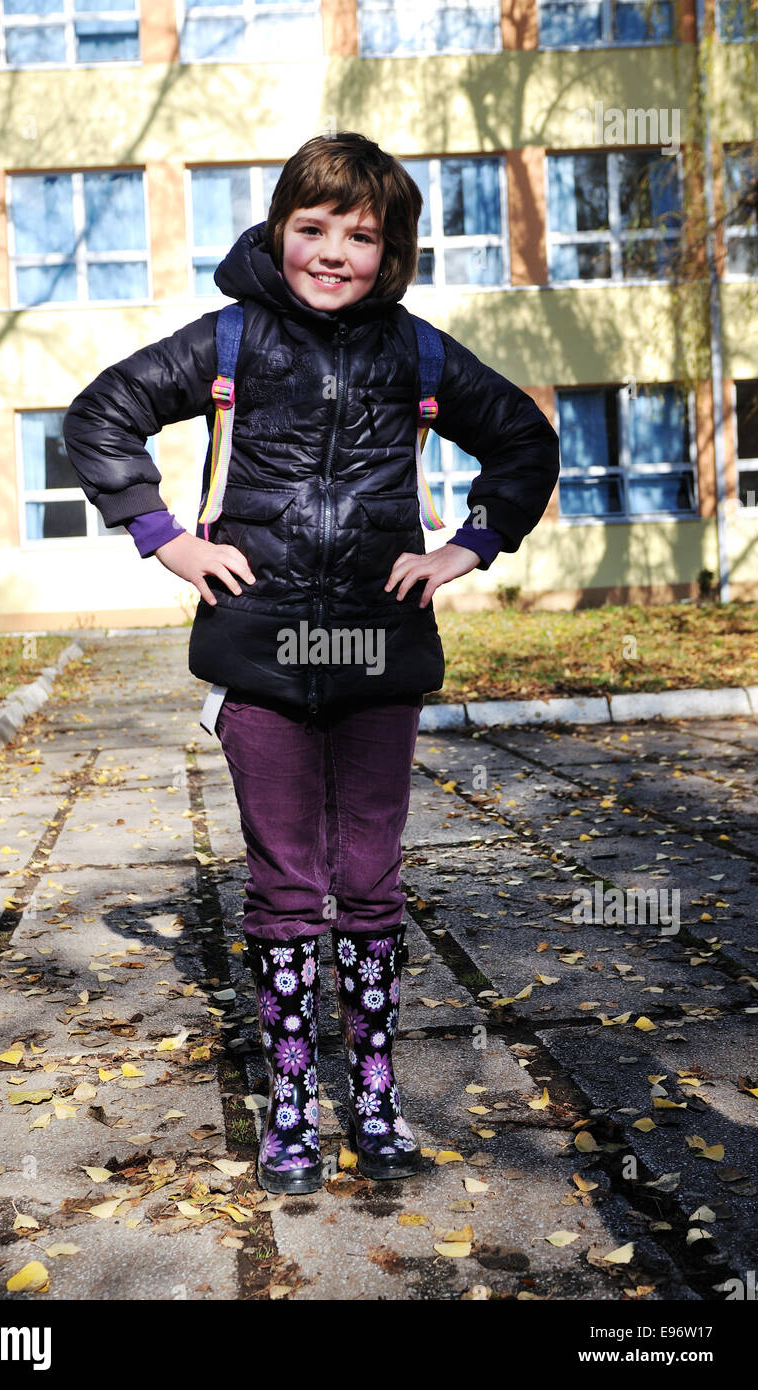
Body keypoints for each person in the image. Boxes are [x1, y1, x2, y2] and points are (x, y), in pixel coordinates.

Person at [62, 131, 560, 1196]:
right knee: (287, 885)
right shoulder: (231, 341)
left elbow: (521, 438)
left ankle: (372, 1092)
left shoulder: (418, 355)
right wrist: (166, 536)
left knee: (370, 883)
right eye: (312, 228)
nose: (332, 252)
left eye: (359, 235)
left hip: (377, 659)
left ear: (391, 250)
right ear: (278, 231)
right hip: (264, 661)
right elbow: (103, 411)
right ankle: (292, 1094)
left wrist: (463, 547)